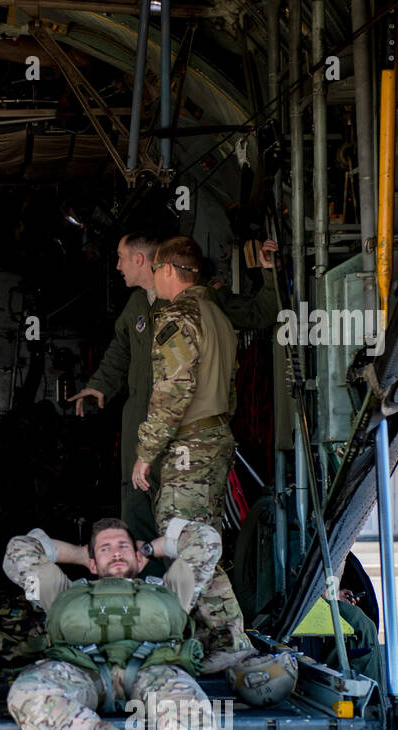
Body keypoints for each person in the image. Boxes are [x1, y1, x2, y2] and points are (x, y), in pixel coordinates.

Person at [2, 517, 277, 730]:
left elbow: (205, 538)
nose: (115, 553)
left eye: (123, 547)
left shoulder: (169, 587)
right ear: (92, 562)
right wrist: (80, 554)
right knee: (27, 695)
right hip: (82, 670)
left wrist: (150, 548)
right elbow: (19, 549)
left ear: (138, 556)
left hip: (155, 670)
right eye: (105, 549)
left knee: (190, 708)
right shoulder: (60, 589)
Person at [68, 232, 279, 536]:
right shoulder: (137, 304)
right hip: (147, 419)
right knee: (139, 503)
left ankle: (178, 576)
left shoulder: (201, 301)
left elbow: (258, 313)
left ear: (147, 262)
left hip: (183, 426)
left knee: (182, 525)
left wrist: (269, 273)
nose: (117, 266)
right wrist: (100, 384)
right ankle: (149, 579)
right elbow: (121, 348)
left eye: (121, 258)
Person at [132, 235, 255, 672]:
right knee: (202, 536)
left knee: (186, 539)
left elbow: (173, 390)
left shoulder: (178, 318)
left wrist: (146, 451)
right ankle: (209, 637)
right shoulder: (218, 316)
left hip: (189, 443)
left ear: (167, 270)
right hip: (215, 435)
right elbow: (230, 386)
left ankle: (228, 635)